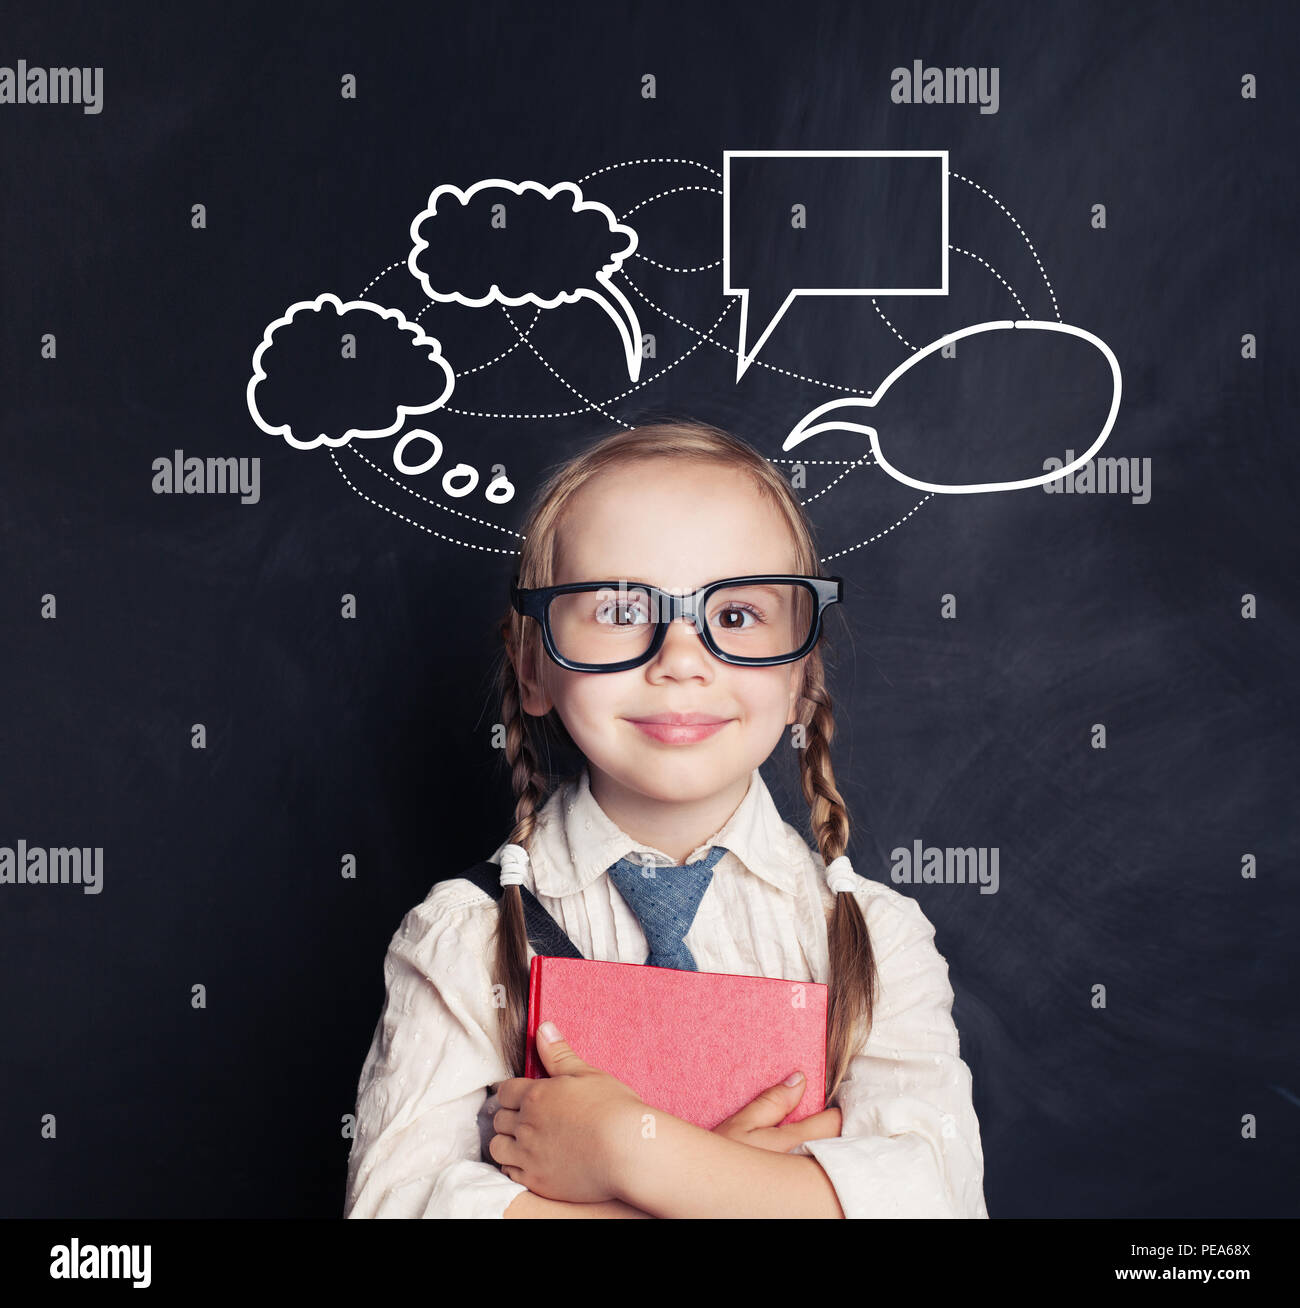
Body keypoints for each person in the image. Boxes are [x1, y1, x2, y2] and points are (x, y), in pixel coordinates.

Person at [344, 419, 988, 1218]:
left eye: (740, 617)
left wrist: (622, 1147)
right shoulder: (461, 942)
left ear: (800, 674)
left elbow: (934, 1207)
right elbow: (394, 1211)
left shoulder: (874, 942)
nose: (681, 657)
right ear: (534, 665)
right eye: (618, 609)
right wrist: (742, 1188)